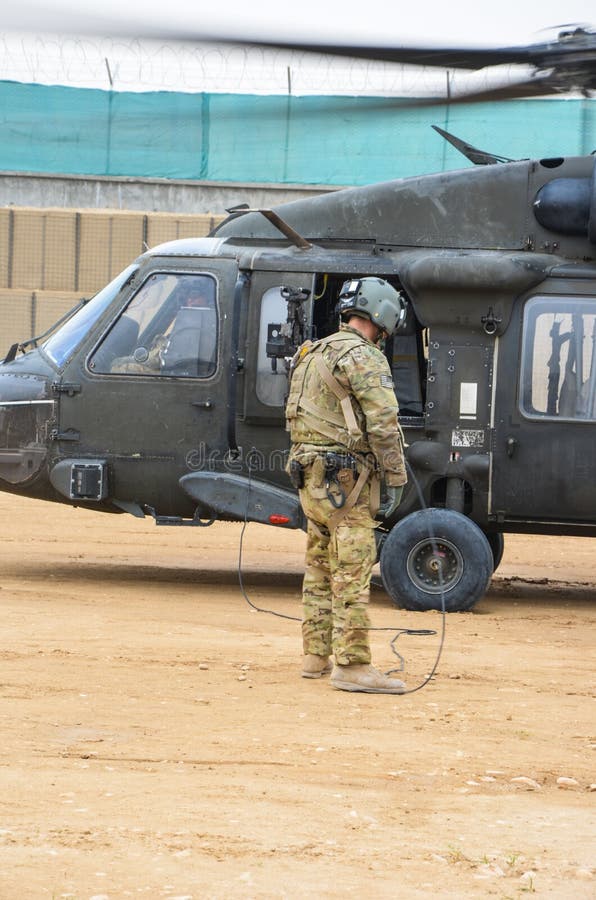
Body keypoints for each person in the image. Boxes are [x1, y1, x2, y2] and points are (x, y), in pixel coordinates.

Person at [286, 277, 408, 694]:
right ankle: (352, 665)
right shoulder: (365, 358)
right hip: (347, 484)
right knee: (351, 574)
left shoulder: (311, 352)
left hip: (311, 481)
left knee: (318, 568)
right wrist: (395, 477)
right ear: (383, 314)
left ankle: (314, 654)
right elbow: (384, 423)